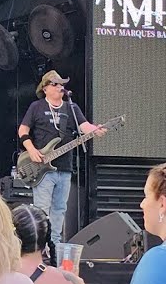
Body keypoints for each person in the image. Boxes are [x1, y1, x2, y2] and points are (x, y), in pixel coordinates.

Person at [17, 70, 107, 246]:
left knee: (59, 208)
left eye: (62, 84)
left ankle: (54, 245)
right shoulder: (37, 107)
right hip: (42, 168)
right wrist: (32, 150)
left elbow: (85, 126)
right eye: (55, 84)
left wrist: (96, 129)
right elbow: (23, 129)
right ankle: (40, 244)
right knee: (42, 209)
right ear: (45, 88)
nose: (60, 87)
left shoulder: (71, 108)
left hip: (64, 168)